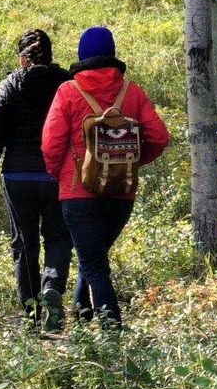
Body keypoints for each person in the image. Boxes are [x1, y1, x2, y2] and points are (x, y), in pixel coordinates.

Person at [38, 26, 170, 325]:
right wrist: (133, 163)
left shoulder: (69, 92)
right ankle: (83, 319)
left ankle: (112, 333)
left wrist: (58, 173)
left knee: (94, 264)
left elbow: (50, 142)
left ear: (81, 56)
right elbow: (159, 137)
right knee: (92, 258)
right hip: (121, 193)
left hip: (78, 194)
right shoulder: (131, 91)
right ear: (112, 54)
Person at [0, 29, 74, 330]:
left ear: (21, 57)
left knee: (24, 245)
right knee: (58, 237)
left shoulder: (10, 85)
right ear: (51, 56)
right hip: (55, 174)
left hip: (17, 176)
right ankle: (52, 287)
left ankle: (31, 315)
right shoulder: (66, 84)